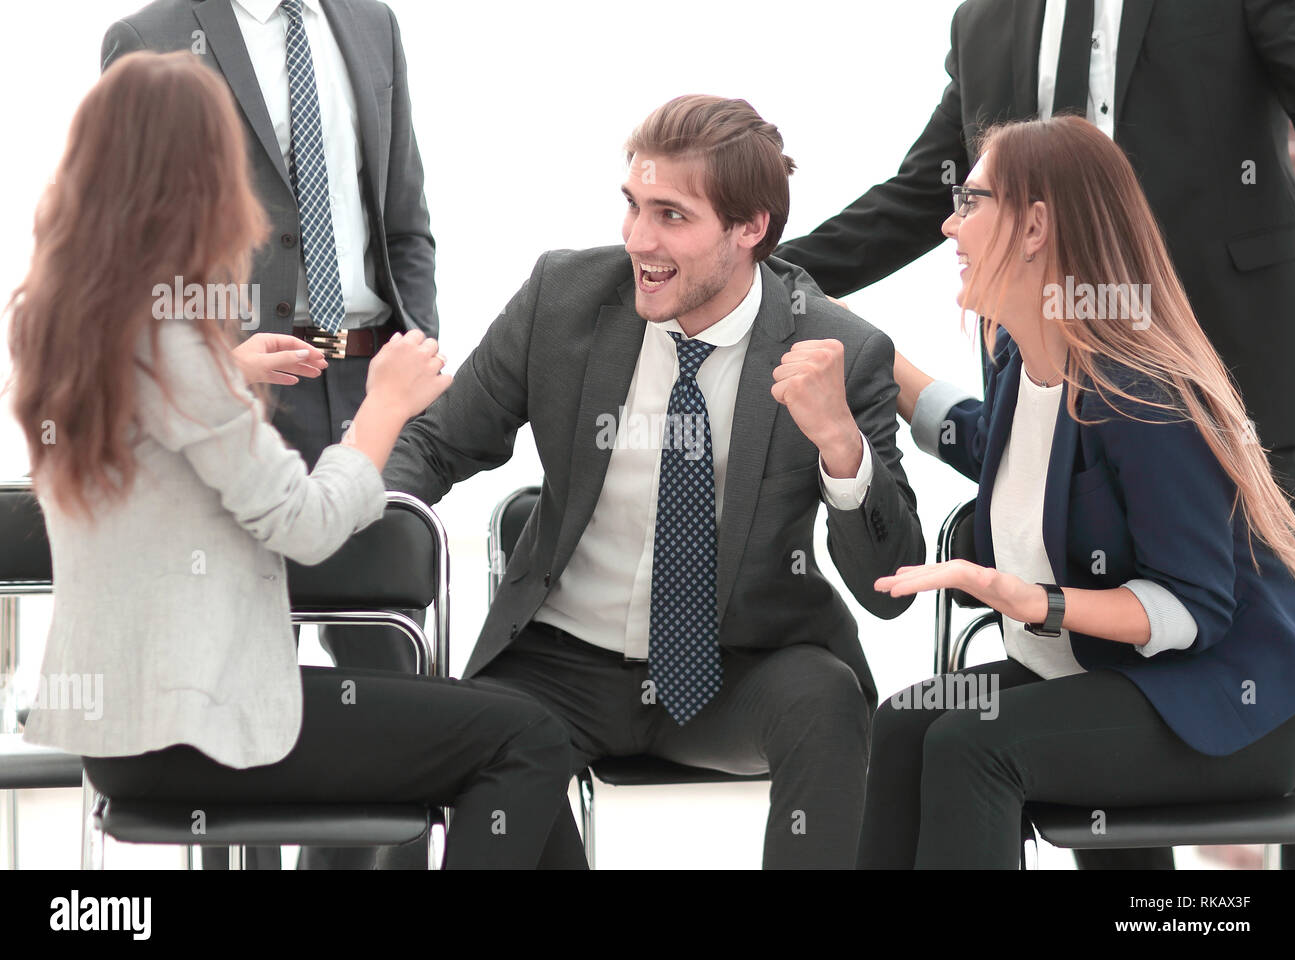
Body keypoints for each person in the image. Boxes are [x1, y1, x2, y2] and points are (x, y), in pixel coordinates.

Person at [7, 51, 573, 870]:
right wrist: (383, 406)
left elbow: (141, 413)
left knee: (521, 741)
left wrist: (228, 375)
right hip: (204, 732)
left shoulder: (69, 335)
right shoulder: (174, 349)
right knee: (528, 739)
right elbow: (306, 528)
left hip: (128, 735)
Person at [381, 94, 928, 869]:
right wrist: (345, 520)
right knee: (481, 758)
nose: (639, 238)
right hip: (559, 665)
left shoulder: (839, 347)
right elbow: (437, 444)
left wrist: (840, 444)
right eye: (633, 206)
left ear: (750, 230)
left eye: (671, 215)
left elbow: (886, 586)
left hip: (742, 664)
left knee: (826, 702)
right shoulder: (563, 298)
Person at [861, 114, 1295, 868]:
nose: (948, 225)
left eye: (971, 202)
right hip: (1108, 673)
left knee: (975, 745)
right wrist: (861, 348)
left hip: (1229, 703)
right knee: (909, 722)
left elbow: (1194, 609)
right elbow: (992, 449)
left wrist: (1037, 601)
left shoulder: (1142, 396)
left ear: (1034, 225)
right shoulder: (1021, 363)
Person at [103, 0, 440, 868]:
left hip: (370, 386)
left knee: (395, 683)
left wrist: (414, 353)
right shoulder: (148, 39)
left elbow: (405, 222)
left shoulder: (371, 24)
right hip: (240, 391)